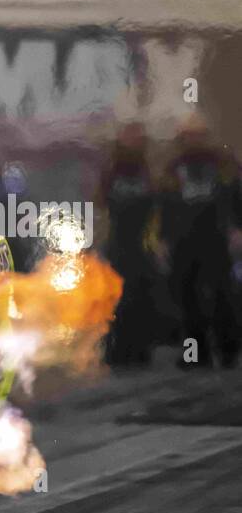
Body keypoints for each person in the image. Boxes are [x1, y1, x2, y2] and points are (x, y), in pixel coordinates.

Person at [160, 114, 238, 369]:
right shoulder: (173, 167)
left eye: (198, 134)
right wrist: (163, 237)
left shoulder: (223, 163)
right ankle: (196, 354)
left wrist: (237, 228)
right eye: (188, 135)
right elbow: (166, 204)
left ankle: (228, 352)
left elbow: (236, 196)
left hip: (216, 238)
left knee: (222, 295)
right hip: (184, 241)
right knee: (188, 299)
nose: (193, 139)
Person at [100, 122, 160, 365]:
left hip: (141, 245)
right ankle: (118, 351)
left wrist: (155, 240)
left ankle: (140, 351)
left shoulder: (148, 172)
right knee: (118, 299)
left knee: (141, 297)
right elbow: (100, 206)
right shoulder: (111, 172)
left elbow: (158, 206)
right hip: (118, 245)